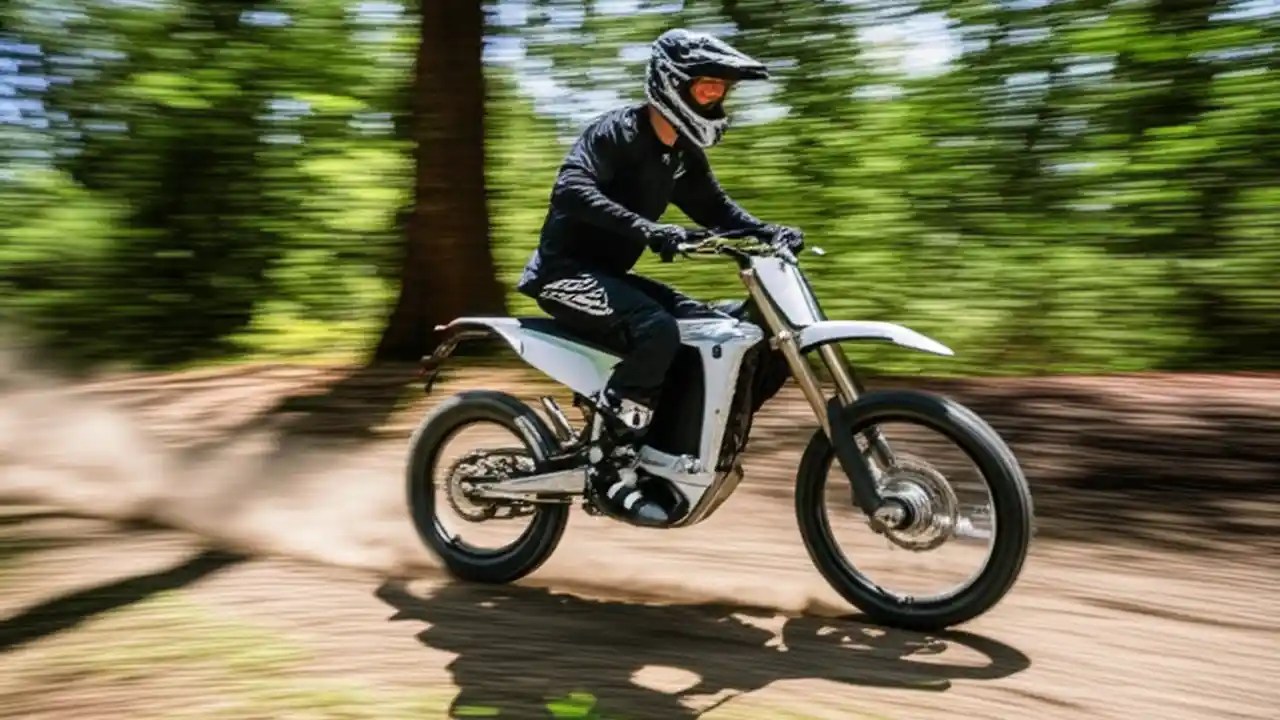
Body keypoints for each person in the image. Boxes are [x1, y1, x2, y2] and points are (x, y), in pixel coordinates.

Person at [516, 28, 803, 526]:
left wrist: (767, 231)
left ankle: (671, 441)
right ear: (674, 83)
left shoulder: (682, 155)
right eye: (708, 87)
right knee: (656, 329)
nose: (717, 97)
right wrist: (648, 230)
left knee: (738, 330)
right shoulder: (616, 133)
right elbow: (569, 190)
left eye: (722, 90)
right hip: (563, 275)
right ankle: (608, 469)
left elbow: (714, 209)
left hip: (610, 277)